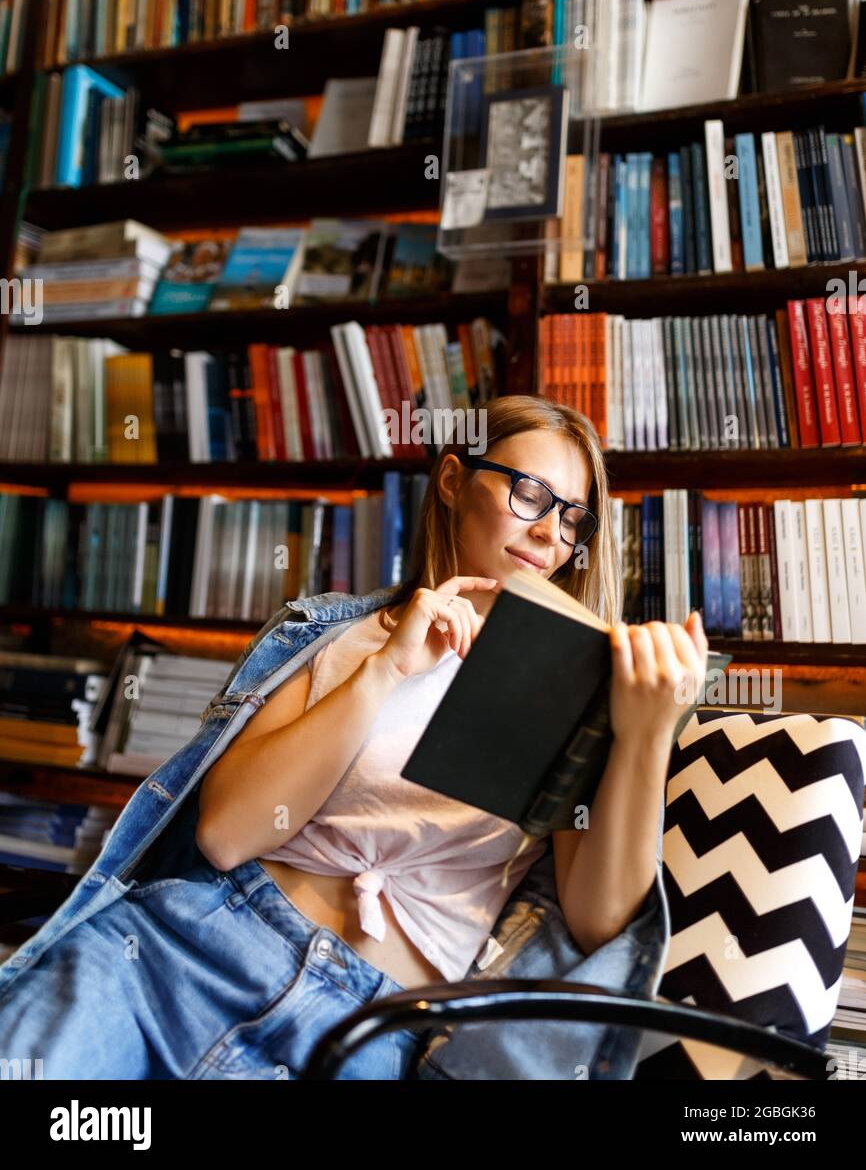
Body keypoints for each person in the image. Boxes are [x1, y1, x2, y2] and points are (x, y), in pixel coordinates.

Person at [0, 395, 707, 1079]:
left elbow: (596, 921)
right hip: (183, 953)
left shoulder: (578, 694)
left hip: (370, 1027)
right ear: (455, 483)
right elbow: (225, 834)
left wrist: (643, 737)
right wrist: (386, 670)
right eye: (530, 493)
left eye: (573, 517)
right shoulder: (333, 634)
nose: (551, 533)